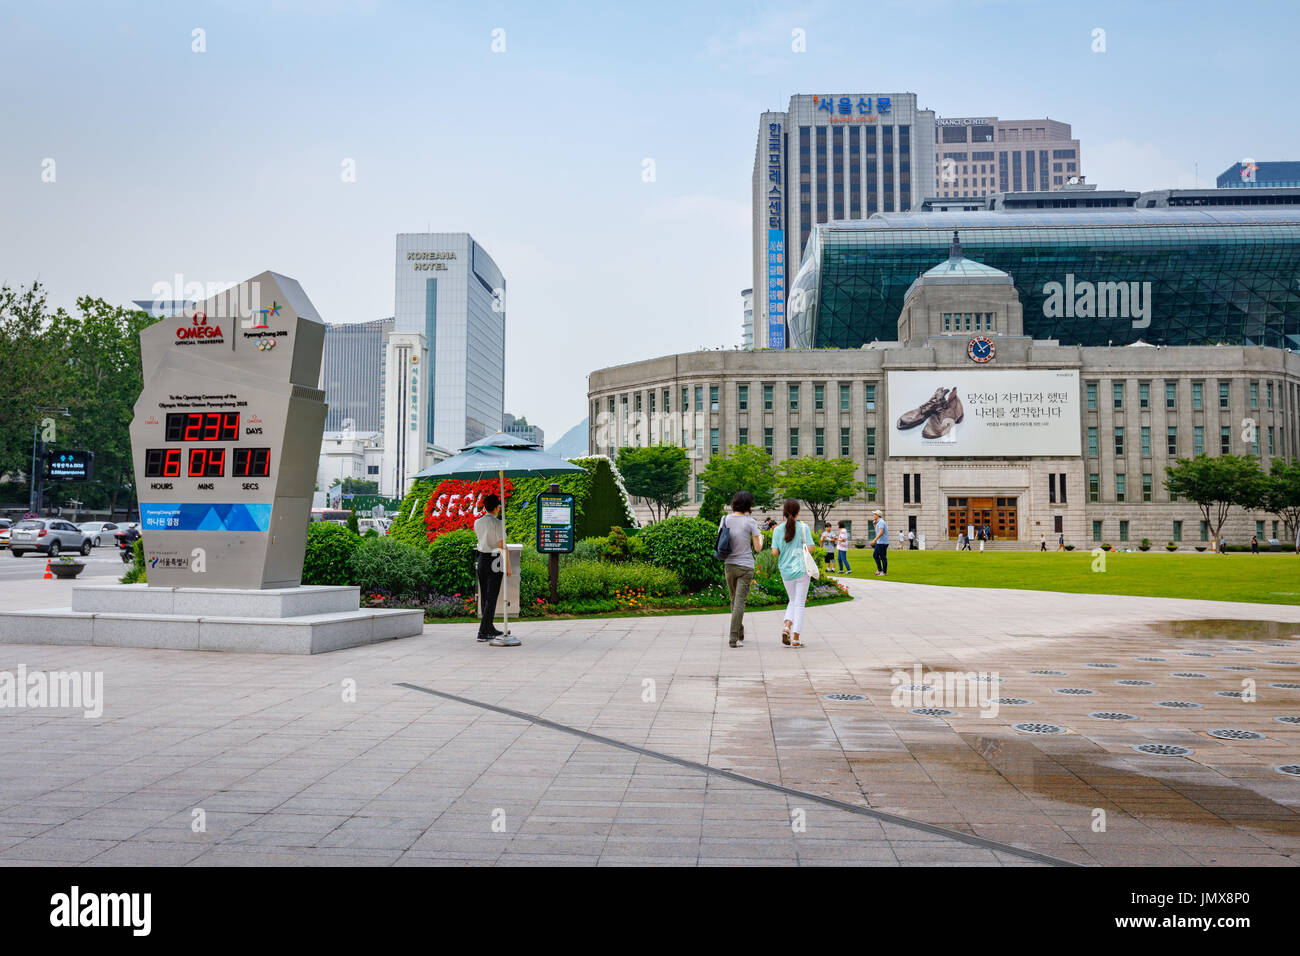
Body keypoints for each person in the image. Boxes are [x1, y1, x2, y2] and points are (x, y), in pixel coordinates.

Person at [771, 499, 815, 648]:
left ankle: (786, 627)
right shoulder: (804, 528)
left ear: (784, 512)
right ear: (798, 512)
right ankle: (795, 637)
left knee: (793, 600)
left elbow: (775, 552)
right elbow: (810, 549)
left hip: (786, 571)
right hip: (802, 570)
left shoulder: (777, 530)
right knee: (799, 604)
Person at [721, 491, 763, 648]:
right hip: (745, 566)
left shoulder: (725, 519)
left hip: (729, 565)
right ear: (748, 505)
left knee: (734, 600)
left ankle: (739, 631)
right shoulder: (750, 522)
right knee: (739, 602)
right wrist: (762, 539)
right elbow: (758, 549)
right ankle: (733, 638)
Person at [473, 493, 510, 642]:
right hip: (495, 559)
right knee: (492, 597)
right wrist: (508, 566)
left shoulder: (478, 522)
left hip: (481, 559)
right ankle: (483, 632)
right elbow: (502, 546)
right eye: (499, 505)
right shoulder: (498, 523)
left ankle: (489, 627)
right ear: (496, 507)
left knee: (485, 596)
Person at [870, 508, 889, 576]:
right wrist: (874, 525)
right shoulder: (878, 522)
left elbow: (881, 533)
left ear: (877, 515)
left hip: (883, 543)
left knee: (883, 557)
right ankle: (879, 570)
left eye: (874, 514)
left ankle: (884, 572)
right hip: (880, 542)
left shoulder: (881, 522)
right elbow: (877, 532)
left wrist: (874, 540)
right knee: (875, 555)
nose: (874, 515)